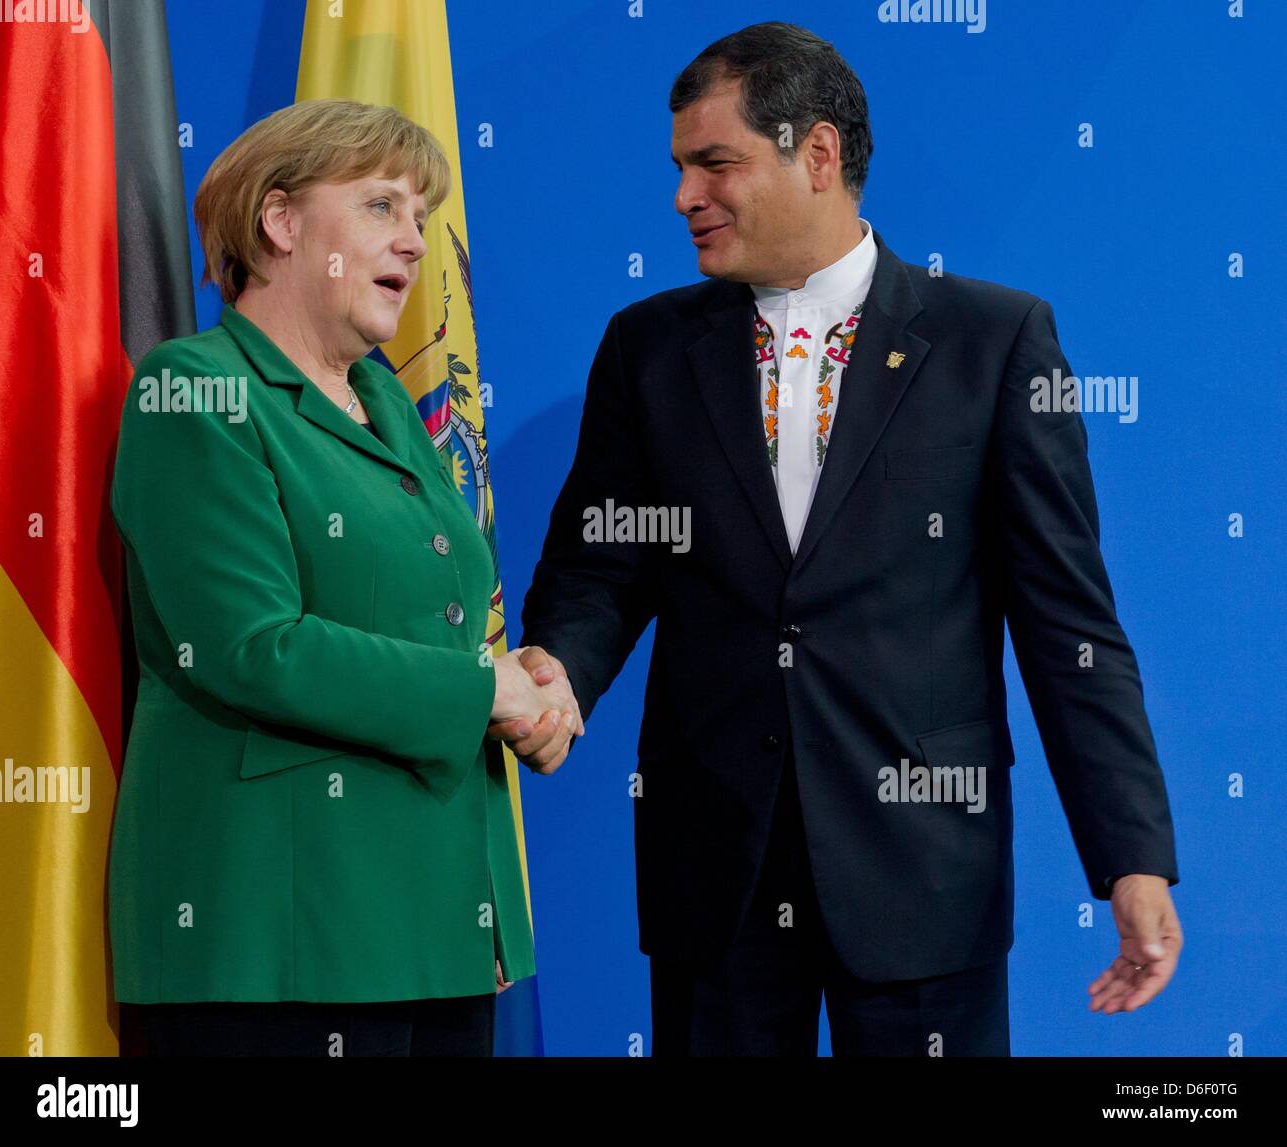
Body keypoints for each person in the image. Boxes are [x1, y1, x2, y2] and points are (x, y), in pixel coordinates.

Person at [494, 23, 1183, 1056]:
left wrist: (1130, 858)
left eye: (714, 163)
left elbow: (1067, 624)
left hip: (921, 879)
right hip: (714, 875)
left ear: (817, 154)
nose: (684, 196)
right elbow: (602, 565)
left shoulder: (992, 342)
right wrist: (557, 673)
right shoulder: (646, 350)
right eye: (679, 167)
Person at [109, 98, 579, 1057]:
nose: (414, 240)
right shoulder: (192, 390)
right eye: (380, 206)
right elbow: (251, 646)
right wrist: (478, 688)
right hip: (281, 945)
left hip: (441, 929)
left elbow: (434, 623)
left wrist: (522, 676)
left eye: (422, 215)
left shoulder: (385, 401)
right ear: (281, 223)